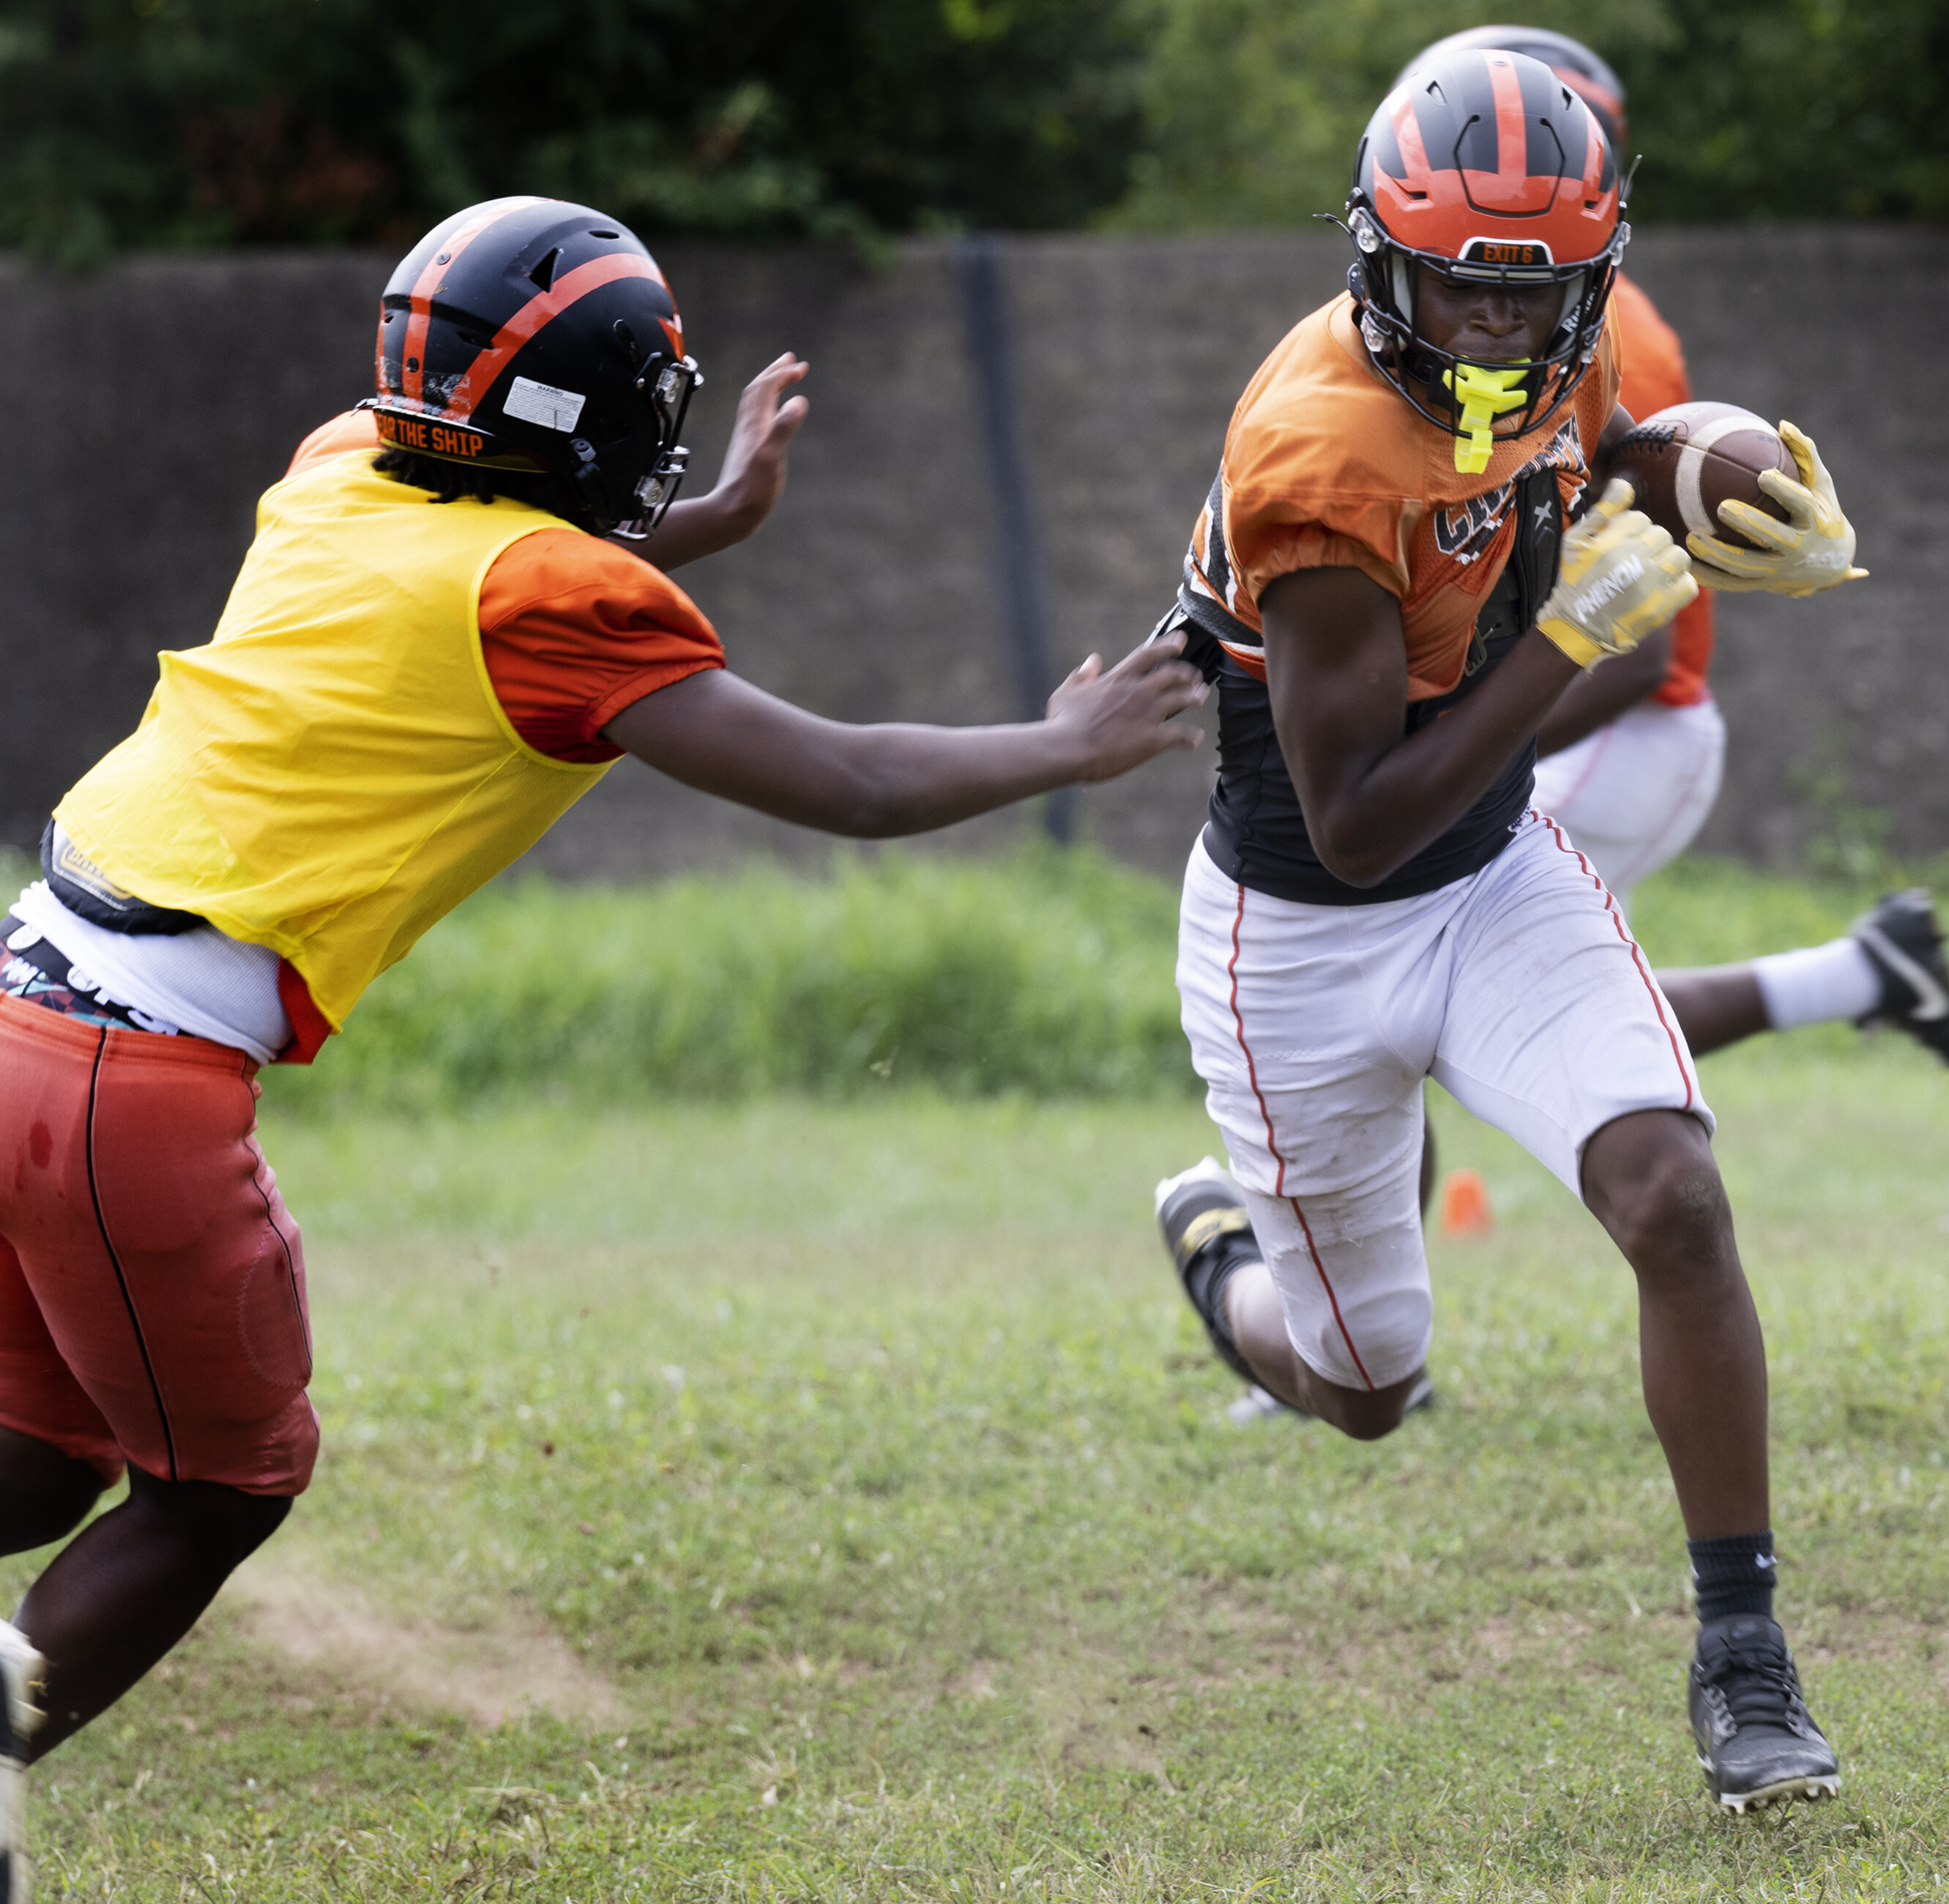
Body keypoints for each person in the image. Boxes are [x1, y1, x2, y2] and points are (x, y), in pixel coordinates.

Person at [0, 195, 1205, 1894]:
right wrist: (1060, 743)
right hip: (135, 1078)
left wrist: (708, 517)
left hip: (24, 991)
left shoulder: (341, 460)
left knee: (47, 1456)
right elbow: (845, 778)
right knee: (222, 1487)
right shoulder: (556, 600)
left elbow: (489, 586)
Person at [1146, 48, 1849, 1812]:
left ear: (1589, 277)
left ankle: (1745, 1661)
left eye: (1525, 289)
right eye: (1452, 276)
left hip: (1495, 876)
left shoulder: (1569, 336)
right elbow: (1358, 818)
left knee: (1673, 1191)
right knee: (1366, 1387)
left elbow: (1616, 451)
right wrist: (1583, 632)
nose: (1481, 321)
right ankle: (1226, 1262)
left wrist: (1733, 486)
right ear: (1377, 251)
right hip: (1305, 925)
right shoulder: (1312, 451)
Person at [1400, 26, 1949, 1093]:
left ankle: (1271, 1245)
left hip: (1618, 714)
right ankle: (1860, 974)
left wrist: (1460, 750)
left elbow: (1637, 626)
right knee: (1461, 1001)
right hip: (1568, 707)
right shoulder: (1427, 338)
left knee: (1425, 986)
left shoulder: (1600, 336)